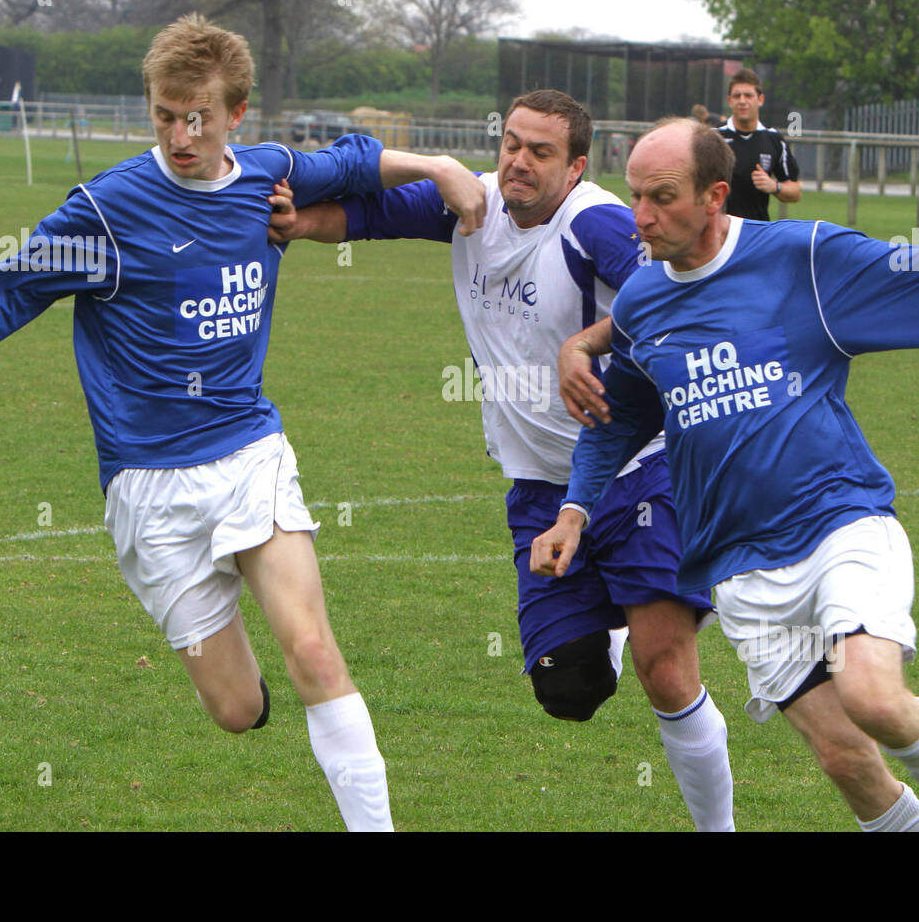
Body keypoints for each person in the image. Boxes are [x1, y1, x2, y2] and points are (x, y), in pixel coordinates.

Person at [0, 13, 487, 832]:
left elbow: (353, 161)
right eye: (164, 115)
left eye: (200, 118)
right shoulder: (106, 213)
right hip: (148, 485)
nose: (181, 135)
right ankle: (249, 701)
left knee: (316, 652)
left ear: (235, 116)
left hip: (249, 450)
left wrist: (438, 166)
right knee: (234, 709)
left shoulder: (269, 175)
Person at [533, 117, 919, 832]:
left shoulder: (801, 256)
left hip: (839, 524)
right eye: (635, 196)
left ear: (716, 196)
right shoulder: (645, 303)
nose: (641, 218)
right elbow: (619, 421)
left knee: (874, 699)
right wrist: (574, 512)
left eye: (662, 197)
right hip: (738, 566)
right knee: (845, 760)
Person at [268, 89, 736, 831]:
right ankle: (615, 623)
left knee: (667, 669)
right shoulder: (473, 205)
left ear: (576, 166)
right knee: (568, 689)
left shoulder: (596, 223)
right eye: (512, 143)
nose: (518, 161)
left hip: (642, 467)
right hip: (538, 488)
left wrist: (590, 345)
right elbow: (356, 211)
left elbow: (667, 288)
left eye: (540, 151)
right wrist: (292, 221)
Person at [716, 68, 800, 219]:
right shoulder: (714, 137)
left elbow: (795, 192)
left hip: (758, 232)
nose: (742, 101)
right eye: (737, 96)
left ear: (760, 100)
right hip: (720, 231)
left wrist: (774, 186)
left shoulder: (774, 140)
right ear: (730, 101)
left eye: (748, 95)